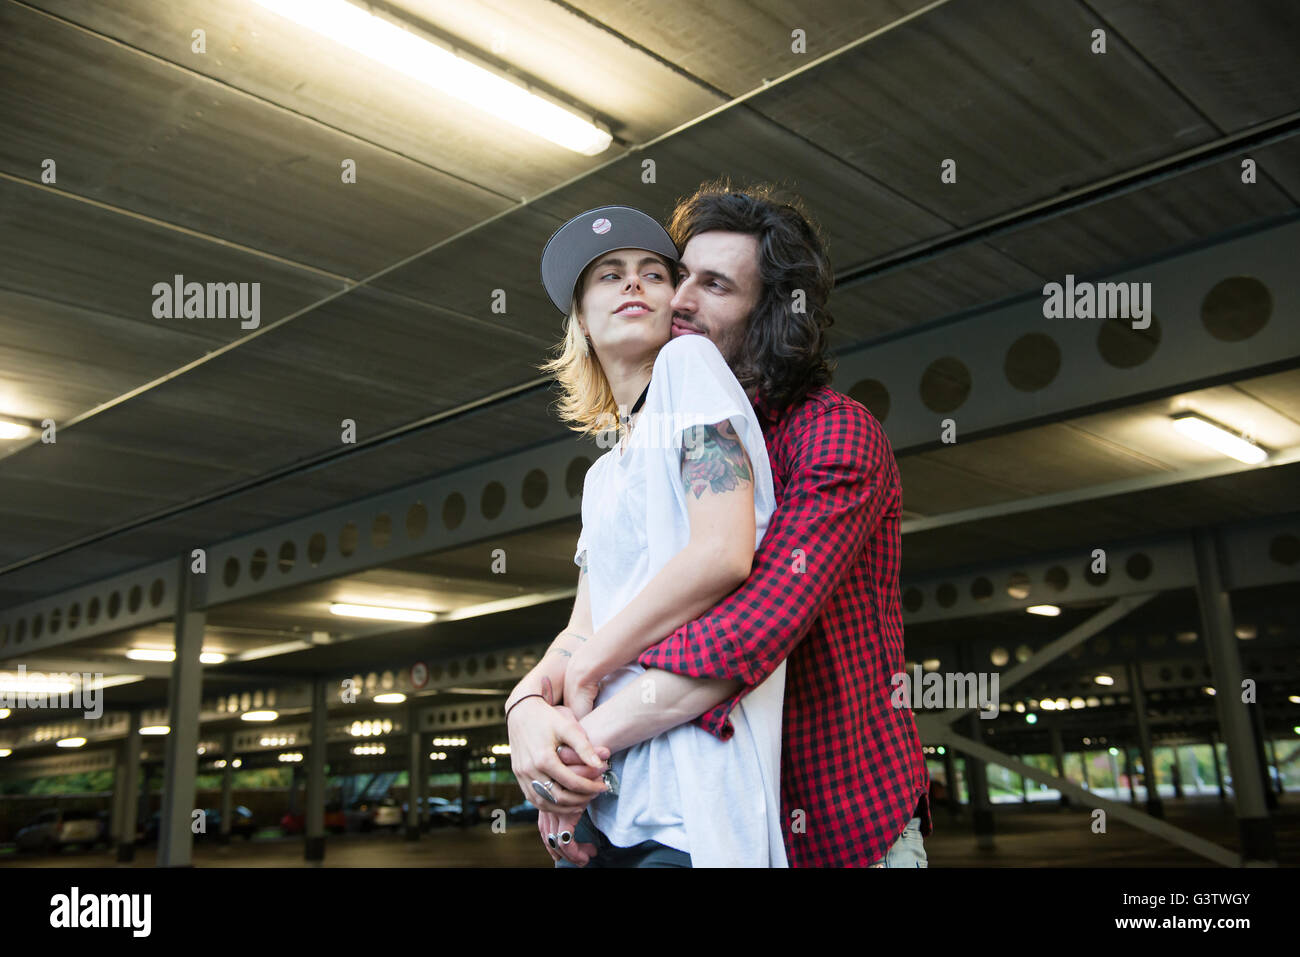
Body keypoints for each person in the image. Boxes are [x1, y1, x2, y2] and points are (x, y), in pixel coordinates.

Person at [509, 182, 931, 868]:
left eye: (713, 286)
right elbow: (588, 621)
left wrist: (572, 748)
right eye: (680, 276)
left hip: (841, 823)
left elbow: (744, 628)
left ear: (768, 315)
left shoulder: (833, 437)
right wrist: (526, 705)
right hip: (702, 806)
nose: (675, 299)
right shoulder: (652, 454)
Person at [503, 205, 786, 867]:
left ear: (674, 304)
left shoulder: (690, 367)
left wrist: (594, 665)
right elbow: (579, 629)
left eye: (652, 273)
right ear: (581, 320)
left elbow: (721, 552)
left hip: (692, 810)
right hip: (607, 805)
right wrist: (524, 707)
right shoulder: (602, 475)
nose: (632, 283)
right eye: (608, 275)